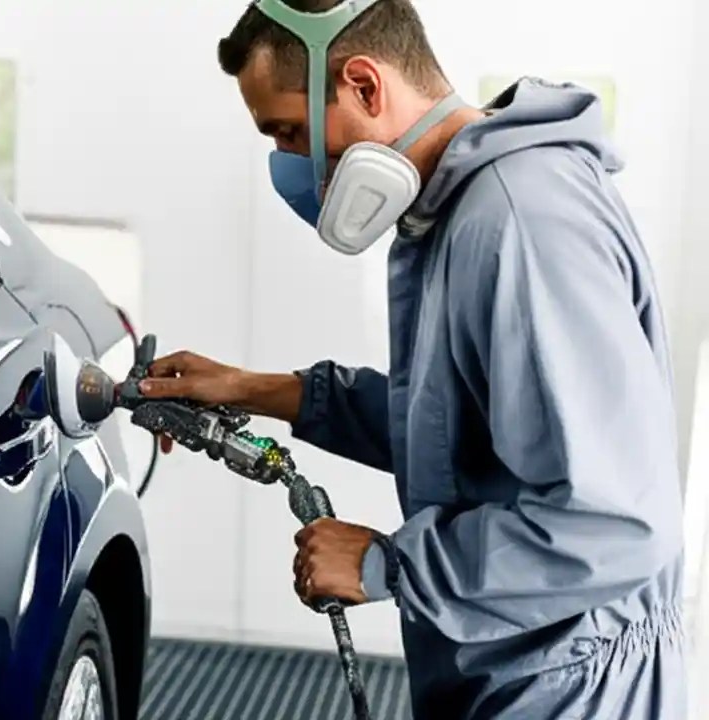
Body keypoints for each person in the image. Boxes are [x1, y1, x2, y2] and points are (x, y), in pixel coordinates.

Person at [139, 0, 688, 717]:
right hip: (518, 662)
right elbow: (452, 432)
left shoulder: (523, 221)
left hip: (573, 685)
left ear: (365, 85)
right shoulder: (457, 210)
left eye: (291, 132)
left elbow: (616, 524)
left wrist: (388, 562)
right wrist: (249, 389)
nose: (290, 167)